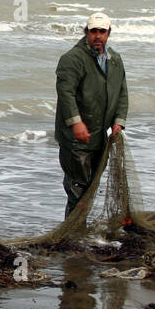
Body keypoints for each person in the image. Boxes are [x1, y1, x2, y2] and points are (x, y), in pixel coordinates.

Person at [54, 11, 129, 217]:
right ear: (86, 32)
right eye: (93, 31)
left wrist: (118, 122)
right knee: (77, 187)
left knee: (89, 187)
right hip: (74, 139)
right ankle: (72, 233)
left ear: (109, 33)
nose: (98, 35)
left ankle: (79, 230)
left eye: (102, 31)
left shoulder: (115, 59)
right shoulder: (72, 59)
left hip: (99, 137)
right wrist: (76, 122)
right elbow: (65, 93)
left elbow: (121, 91)